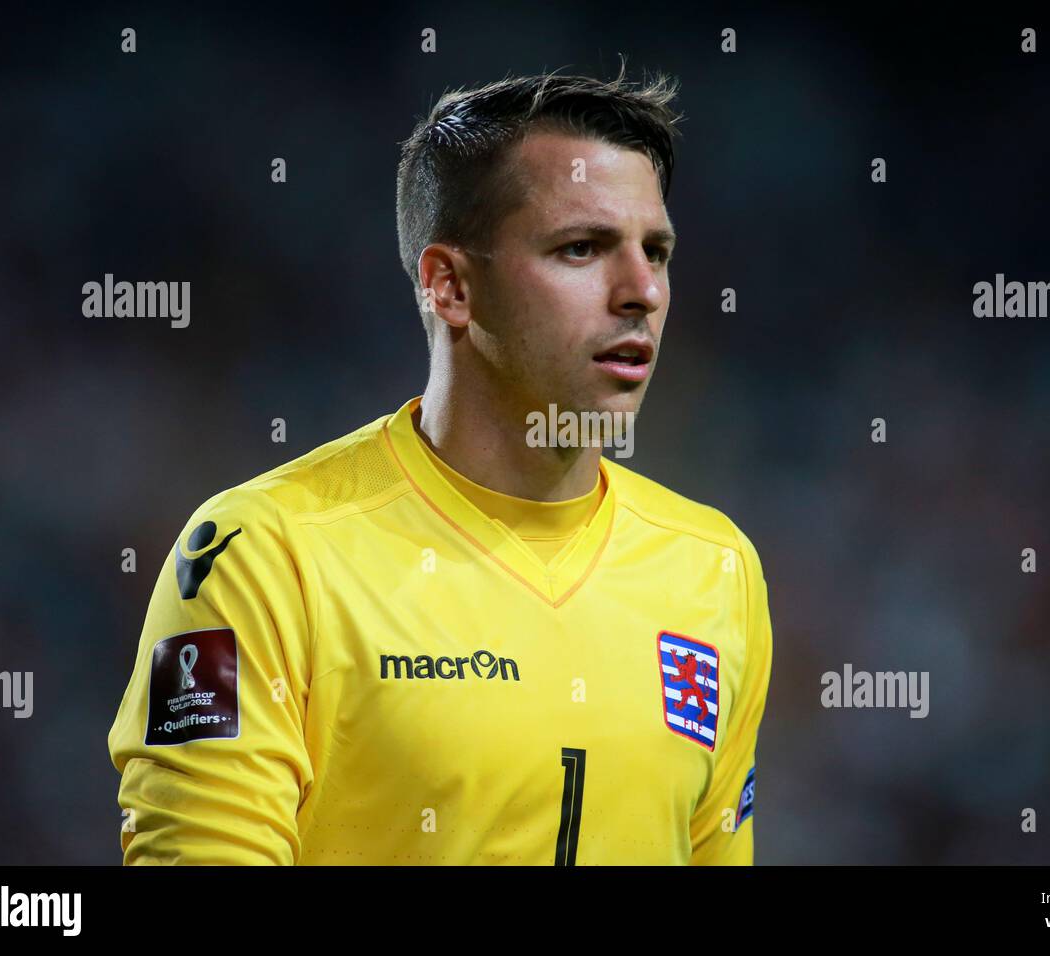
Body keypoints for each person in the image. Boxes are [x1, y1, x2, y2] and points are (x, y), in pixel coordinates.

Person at [108, 61, 773, 865]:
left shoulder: (716, 570)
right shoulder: (259, 556)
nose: (642, 291)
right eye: (582, 248)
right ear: (450, 286)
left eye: (656, 251)